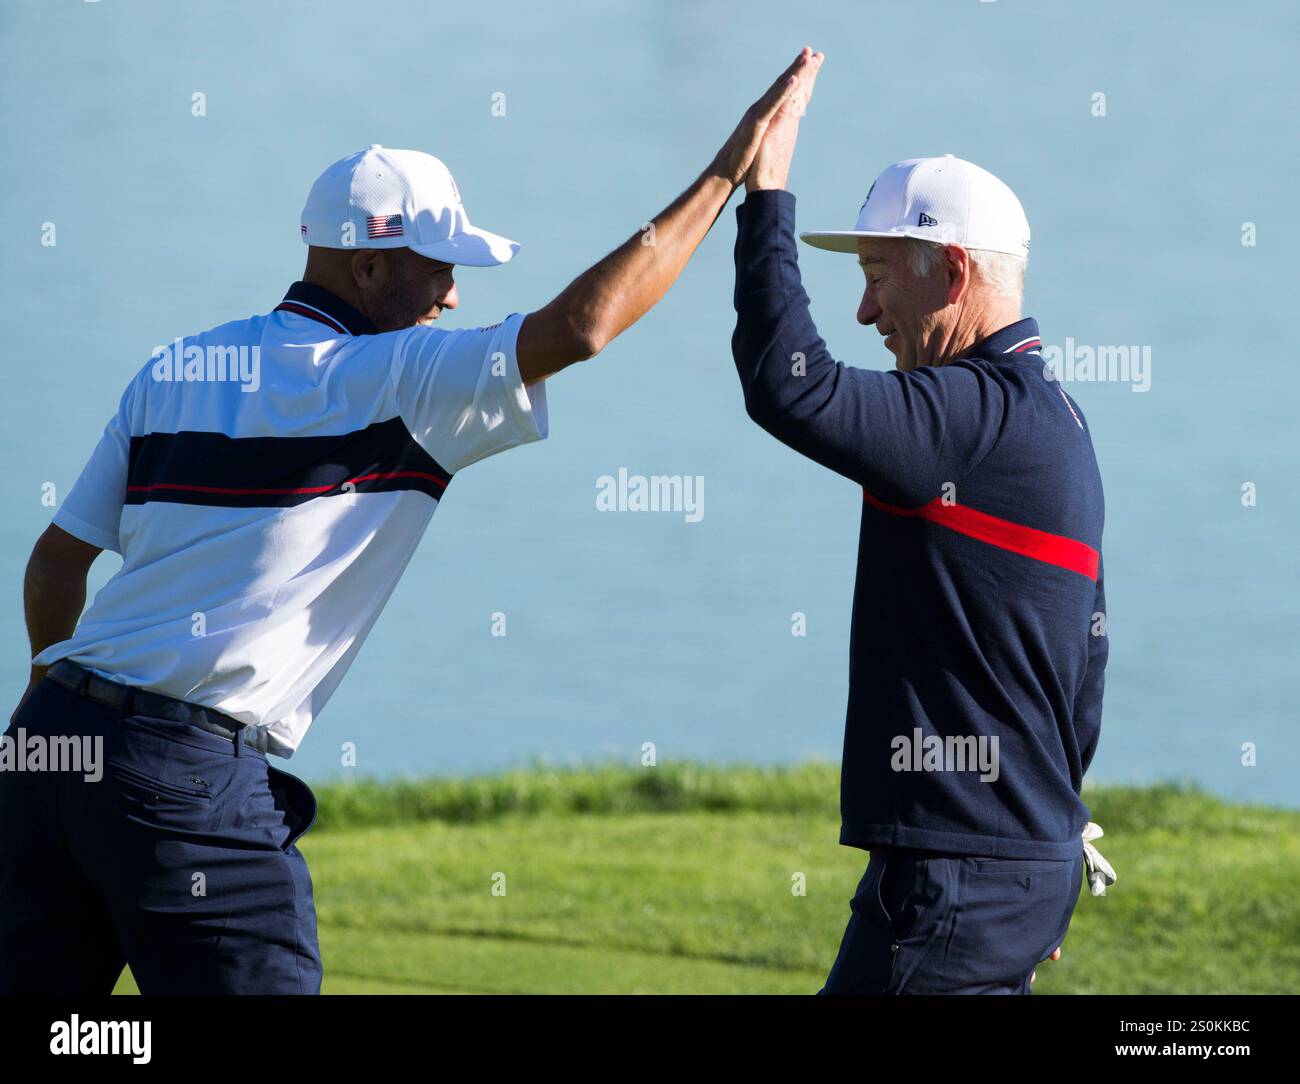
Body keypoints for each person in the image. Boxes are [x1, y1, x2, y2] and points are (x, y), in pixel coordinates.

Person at [0, 48, 822, 995]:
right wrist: (730, 170)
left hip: (50, 748)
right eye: (440, 268)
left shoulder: (177, 367)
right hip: (184, 784)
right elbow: (587, 325)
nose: (454, 296)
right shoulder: (400, 376)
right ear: (367, 263)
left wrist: (65, 729)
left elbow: (53, 568)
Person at [731, 55, 1113, 994]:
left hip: (959, 878)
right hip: (1001, 864)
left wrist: (765, 196)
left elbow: (792, 388)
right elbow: (1086, 664)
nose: (863, 311)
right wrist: (1045, 840)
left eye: (875, 277)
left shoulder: (969, 415)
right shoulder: (1050, 416)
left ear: (950, 272)